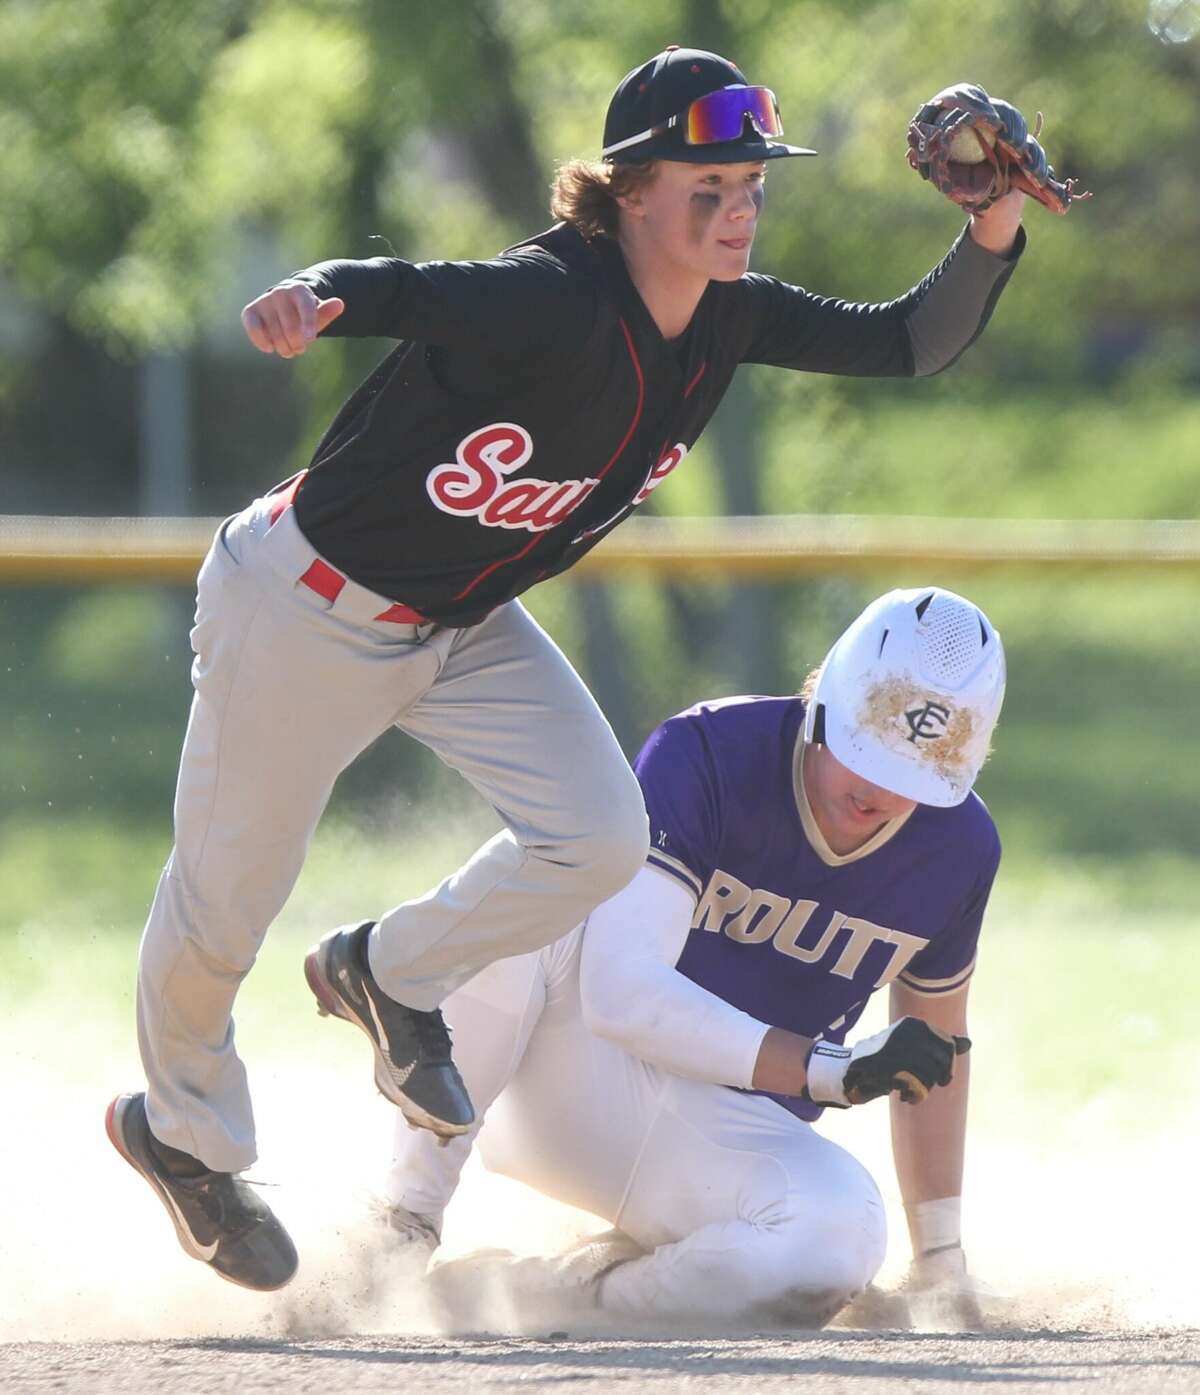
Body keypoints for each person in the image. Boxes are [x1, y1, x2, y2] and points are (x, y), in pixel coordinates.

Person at [106, 43, 1027, 1294]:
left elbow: (913, 341)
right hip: (306, 609)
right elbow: (411, 289)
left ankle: (388, 971)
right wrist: (313, 294)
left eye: (752, 180)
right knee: (224, 909)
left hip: (464, 622)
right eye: (710, 181)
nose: (740, 203)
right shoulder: (555, 298)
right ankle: (183, 1138)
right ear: (631, 188)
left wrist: (995, 223)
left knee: (598, 838)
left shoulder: (730, 319)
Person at [385, 587, 1005, 1330]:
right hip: (570, 1071)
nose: (878, 788)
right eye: (867, 750)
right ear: (825, 702)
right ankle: (396, 1230)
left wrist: (940, 1259)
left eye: (915, 775)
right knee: (540, 871)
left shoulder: (958, 847)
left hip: (721, 1142)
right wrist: (824, 1068)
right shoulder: (713, 751)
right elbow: (620, 995)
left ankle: (536, 1295)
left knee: (836, 1239)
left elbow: (936, 1055)